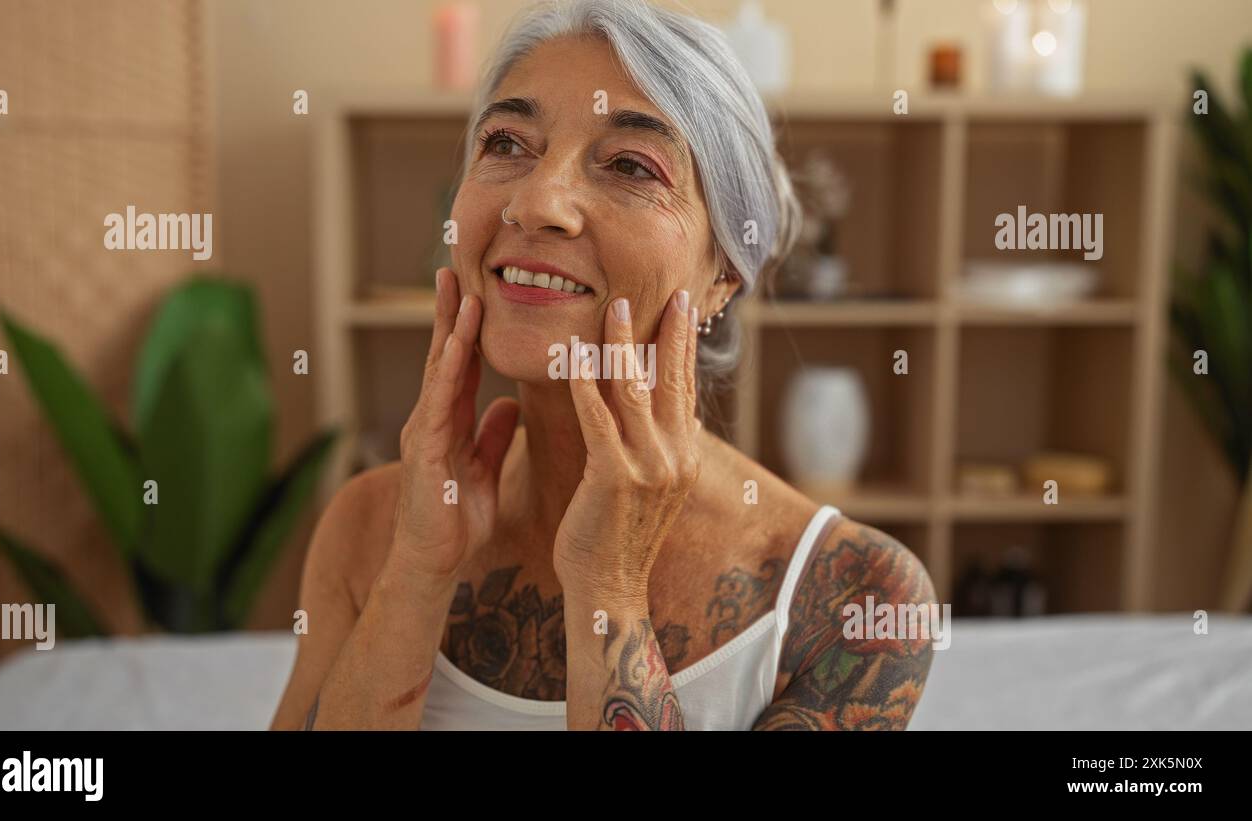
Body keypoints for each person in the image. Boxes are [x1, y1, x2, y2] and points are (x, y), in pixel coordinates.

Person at [272, 0, 935, 731]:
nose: (536, 202)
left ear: (723, 273)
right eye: (507, 143)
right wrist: (419, 572)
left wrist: (609, 587)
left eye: (628, 164)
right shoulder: (367, 525)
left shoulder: (861, 598)